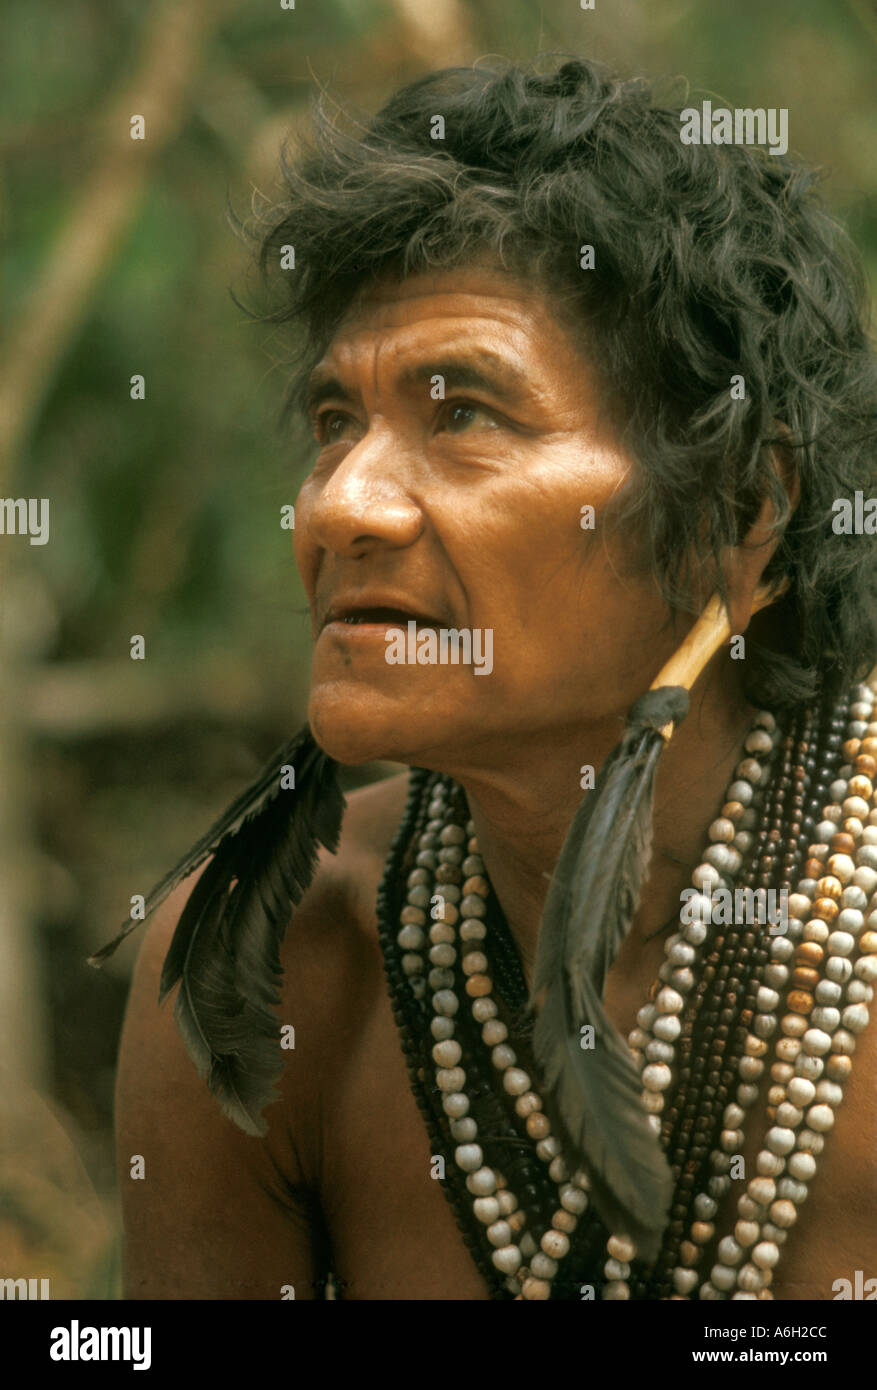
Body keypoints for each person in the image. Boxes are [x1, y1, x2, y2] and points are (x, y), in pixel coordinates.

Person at [113, 57, 877, 1300]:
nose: (338, 504)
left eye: (461, 412)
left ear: (742, 512)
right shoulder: (276, 968)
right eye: (332, 423)